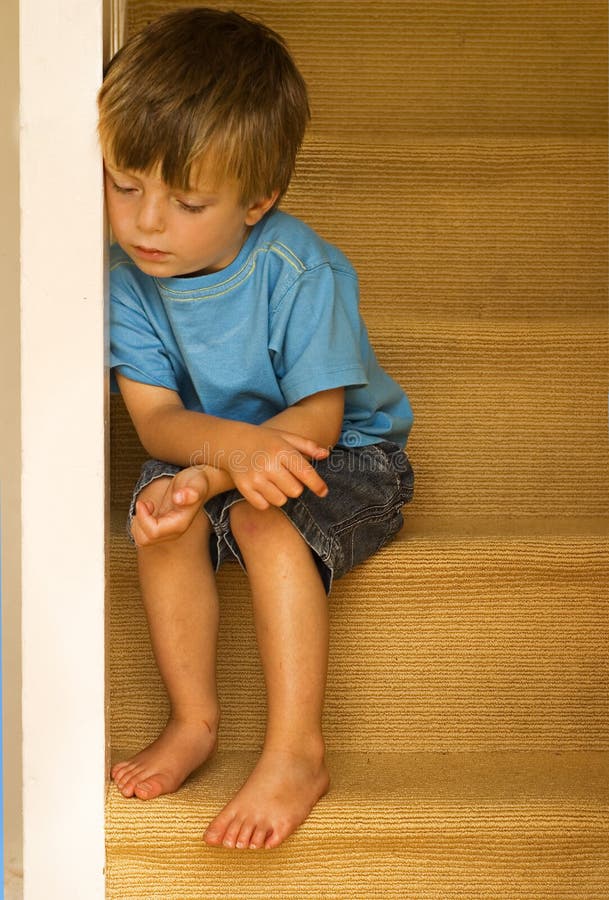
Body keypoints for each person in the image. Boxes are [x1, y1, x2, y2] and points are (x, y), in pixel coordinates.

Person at [99, 6, 414, 852]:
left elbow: (316, 416)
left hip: (342, 452)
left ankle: (294, 753)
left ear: (257, 200)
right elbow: (158, 421)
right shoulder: (127, 284)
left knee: (260, 517)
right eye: (123, 184)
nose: (147, 223)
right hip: (211, 447)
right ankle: (193, 722)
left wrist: (230, 471)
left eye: (188, 200)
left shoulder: (298, 268)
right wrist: (205, 471)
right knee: (158, 519)